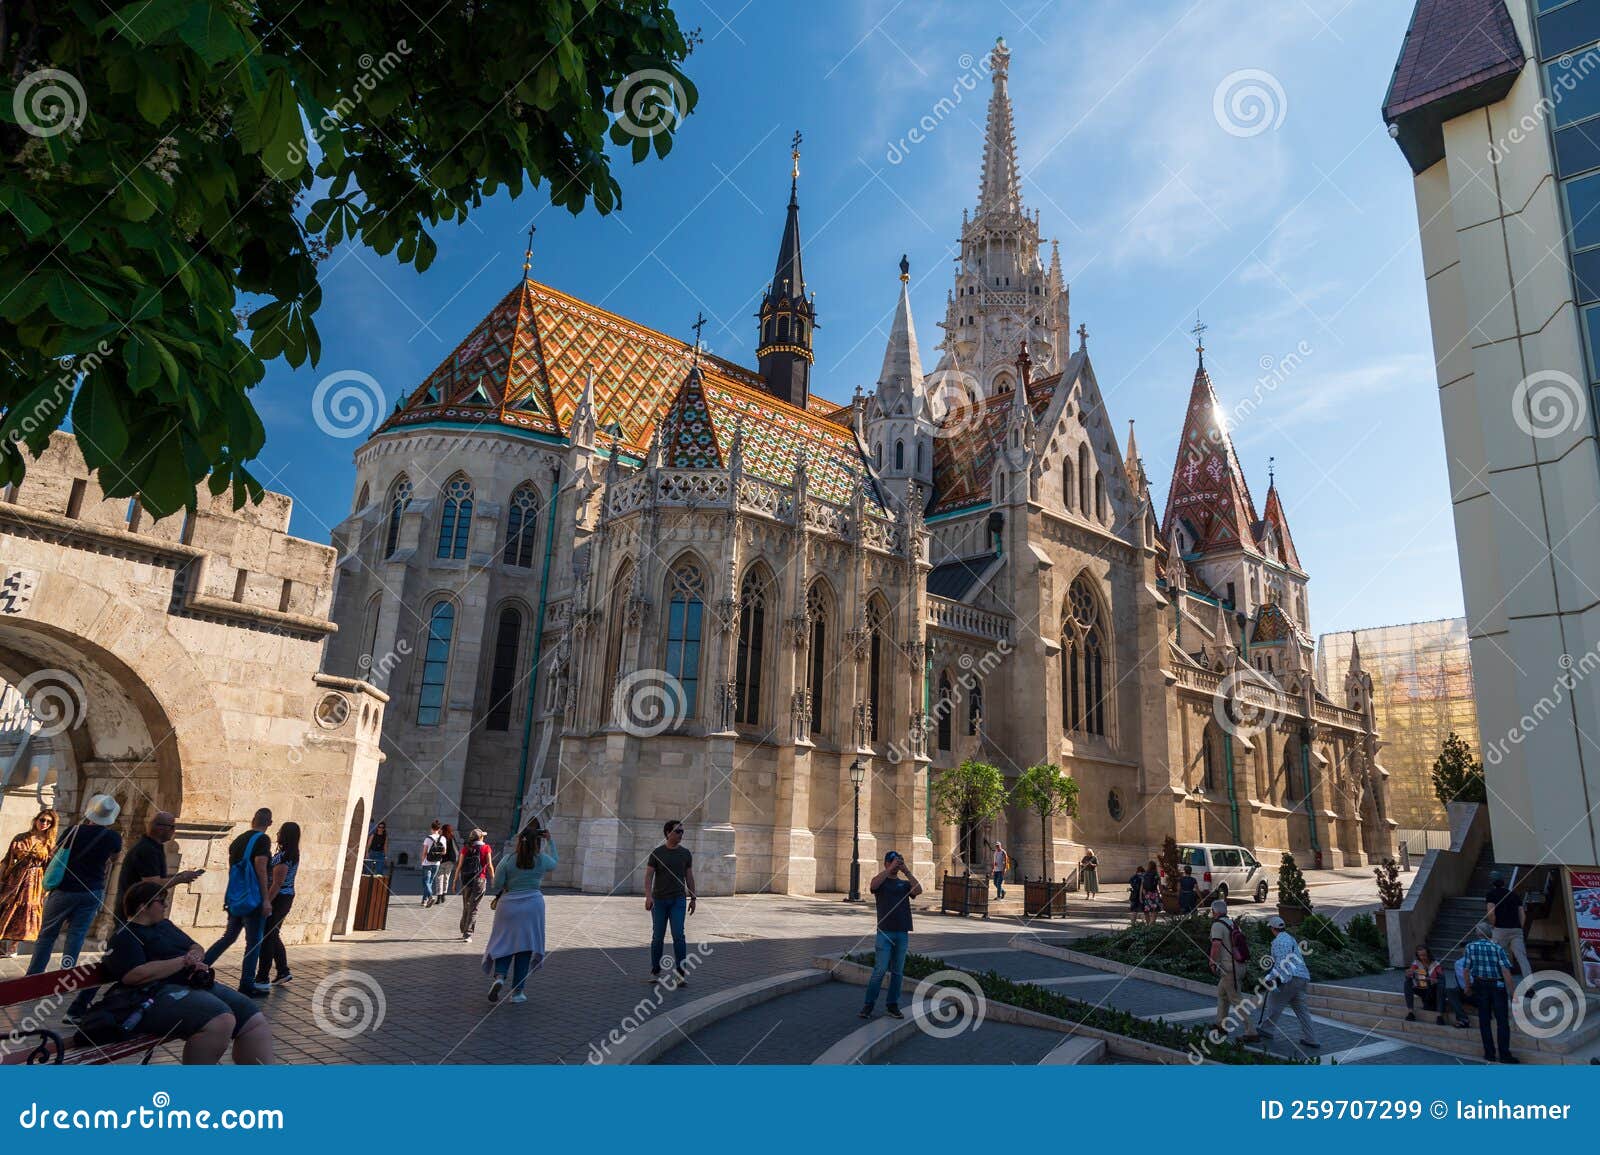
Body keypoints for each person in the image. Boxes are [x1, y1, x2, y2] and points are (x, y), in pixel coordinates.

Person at [96, 881, 274, 1064]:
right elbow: (133, 975)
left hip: (191, 985)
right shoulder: (125, 936)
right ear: (143, 906)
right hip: (153, 995)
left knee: (252, 1017)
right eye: (160, 901)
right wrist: (182, 962)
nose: (165, 905)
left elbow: (195, 946)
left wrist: (195, 956)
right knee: (221, 1019)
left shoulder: (165, 925)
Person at [66, 809, 203, 1021]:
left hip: (138, 914)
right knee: (115, 963)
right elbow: (150, 881)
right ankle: (82, 1007)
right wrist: (180, 877)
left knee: (115, 962)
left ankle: (82, 1006)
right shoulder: (147, 850)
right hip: (133, 915)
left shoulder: (153, 848)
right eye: (171, 826)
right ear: (159, 827)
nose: (174, 830)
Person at [27, 794, 123, 976]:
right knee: (77, 935)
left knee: (47, 934)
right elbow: (113, 860)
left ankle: (34, 974)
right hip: (92, 891)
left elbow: (56, 853)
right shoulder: (113, 838)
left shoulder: (73, 831)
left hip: (65, 889)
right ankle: (66, 973)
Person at [482, 823, 556, 1004]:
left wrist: (510, 883)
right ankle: (517, 993)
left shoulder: (508, 859)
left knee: (504, 943)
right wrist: (551, 841)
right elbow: (555, 863)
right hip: (533, 904)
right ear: (536, 842)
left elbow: (497, 884)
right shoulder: (542, 859)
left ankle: (500, 976)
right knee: (525, 947)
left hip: (509, 905)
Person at [203, 807, 272, 997]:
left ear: (252, 820)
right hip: (253, 900)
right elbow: (260, 866)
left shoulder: (238, 841)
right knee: (253, 943)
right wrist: (265, 899)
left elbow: (234, 870)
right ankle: (246, 984)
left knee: (228, 937)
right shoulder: (263, 840)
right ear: (270, 823)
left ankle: (200, 966)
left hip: (236, 898)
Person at [860, 850, 922, 1020]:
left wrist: (906, 871)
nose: (896, 865)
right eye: (893, 862)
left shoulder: (903, 884)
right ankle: (868, 1005)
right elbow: (872, 885)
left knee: (898, 972)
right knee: (879, 970)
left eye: (898, 862)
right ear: (886, 863)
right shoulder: (881, 882)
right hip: (885, 932)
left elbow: (919, 890)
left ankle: (892, 1005)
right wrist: (889, 870)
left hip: (902, 932)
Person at [644, 819, 697, 984]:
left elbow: (689, 876)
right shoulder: (657, 853)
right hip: (659, 901)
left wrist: (693, 897)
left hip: (678, 900)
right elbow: (648, 876)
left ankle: (680, 974)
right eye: (678, 831)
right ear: (668, 833)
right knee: (657, 937)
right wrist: (648, 896)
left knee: (678, 936)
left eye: (682, 831)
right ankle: (655, 971)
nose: (681, 834)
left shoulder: (685, 853)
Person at [0, 808, 56, 957]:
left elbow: (50, 866)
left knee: (25, 912)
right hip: (16, 877)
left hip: (35, 881)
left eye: (48, 822)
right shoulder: (21, 837)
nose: (44, 823)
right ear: (36, 820)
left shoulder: (49, 843)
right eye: (42, 820)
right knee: (6, 906)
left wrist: (47, 886)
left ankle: (13, 947)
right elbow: (8, 859)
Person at [1257, 915, 1319, 1048]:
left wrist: (1274, 980)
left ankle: (1266, 1030)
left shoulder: (1279, 942)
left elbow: (1282, 963)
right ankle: (1311, 1039)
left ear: (1273, 928)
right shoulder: (1290, 938)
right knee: (1302, 1010)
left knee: (1274, 1002)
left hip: (1291, 978)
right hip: (1302, 977)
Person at [1462, 920, 1518, 1063]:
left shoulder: (1470, 947)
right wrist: (1512, 992)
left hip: (1479, 984)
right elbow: (1506, 972)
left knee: (1484, 1020)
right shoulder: (1497, 948)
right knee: (1502, 1021)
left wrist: (1467, 987)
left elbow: (1466, 969)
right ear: (1489, 933)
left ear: (1477, 934)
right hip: (1497, 986)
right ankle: (1504, 1054)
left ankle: (1489, 1053)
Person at [1208, 899, 1262, 1042]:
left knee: (1236, 999)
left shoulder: (1217, 925)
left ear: (1215, 911)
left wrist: (1212, 961)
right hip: (1239, 965)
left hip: (1228, 968)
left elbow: (1216, 944)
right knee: (1222, 993)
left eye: (1212, 911)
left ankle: (1251, 1031)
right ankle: (1220, 1024)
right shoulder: (1232, 923)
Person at [255, 821, 300, 988]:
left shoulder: (284, 857)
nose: (277, 834)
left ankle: (262, 976)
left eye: (280, 831)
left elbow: (277, 883)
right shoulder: (291, 853)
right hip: (285, 897)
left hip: (280, 898)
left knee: (267, 936)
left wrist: (267, 901)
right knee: (272, 934)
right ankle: (282, 970)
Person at [1484, 872, 1532, 981]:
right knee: (1522, 958)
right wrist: (1520, 927)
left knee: (1493, 956)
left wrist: (1493, 925)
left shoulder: (1491, 894)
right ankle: (1530, 986)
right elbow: (1522, 914)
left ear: (1492, 882)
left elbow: (1491, 913)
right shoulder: (1514, 894)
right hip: (1516, 930)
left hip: (1500, 929)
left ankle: (1495, 981)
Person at [457, 827, 495, 942]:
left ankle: (463, 929)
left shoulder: (466, 848)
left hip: (466, 879)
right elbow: (489, 865)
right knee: (474, 907)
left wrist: (454, 881)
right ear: (481, 837)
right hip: (480, 879)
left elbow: (459, 865)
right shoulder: (486, 848)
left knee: (466, 905)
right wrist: (493, 878)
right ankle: (468, 934)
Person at [1403, 945, 1452, 1025]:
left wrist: (1431, 980)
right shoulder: (1416, 963)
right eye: (1420, 955)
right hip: (1422, 989)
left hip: (1433, 991)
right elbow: (1411, 973)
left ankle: (1440, 1016)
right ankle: (1410, 1013)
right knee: (1407, 982)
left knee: (1440, 985)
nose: (1423, 957)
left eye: (1424, 955)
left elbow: (1441, 980)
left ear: (1428, 954)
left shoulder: (1436, 964)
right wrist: (1409, 973)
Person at [420, 820, 446, 907]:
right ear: (439, 829)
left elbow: (424, 852)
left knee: (426, 882)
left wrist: (422, 861)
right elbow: (444, 852)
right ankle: (424, 901)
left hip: (427, 862)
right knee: (430, 881)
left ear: (431, 828)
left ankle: (430, 897)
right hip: (437, 863)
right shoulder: (443, 838)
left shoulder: (428, 838)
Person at [436, 823, 460, 896]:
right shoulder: (452, 838)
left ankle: (439, 895)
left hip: (442, 860)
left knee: (439, 878)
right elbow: (457, 848)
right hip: (450, 861)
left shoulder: (441, 838)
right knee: (446, 877)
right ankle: (444, 894)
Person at [1141, 859, 1162, 923]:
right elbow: (1160, 886)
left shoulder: (1144, 875)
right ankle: (1152, 923)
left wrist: (1141, 895)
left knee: (1146, 909)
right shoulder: (1156, 875)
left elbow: (1142, 886)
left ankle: (1148, 924)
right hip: (1154, 894)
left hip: (1147, 894)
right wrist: (1161, 893)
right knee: (1155, 909)